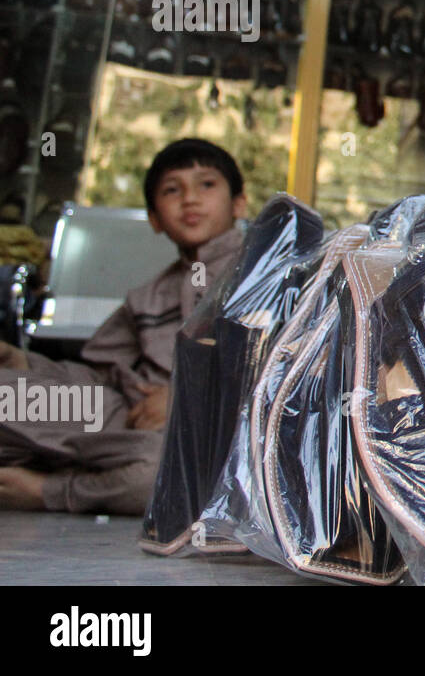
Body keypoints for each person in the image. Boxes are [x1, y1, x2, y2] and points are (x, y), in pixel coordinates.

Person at [0, 138, 246, 514]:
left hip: (203, 438)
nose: (190, 199)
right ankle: (83, 464)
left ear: (239, 203)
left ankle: (50, 486)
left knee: (157, 475)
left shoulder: (265, 276)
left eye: (206, 184)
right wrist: (25, 364)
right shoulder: (145, 298)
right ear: (154, 218)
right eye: (171, 190)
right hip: (126, 417)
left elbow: (284, 374)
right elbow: (100, 378)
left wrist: (185, 396)